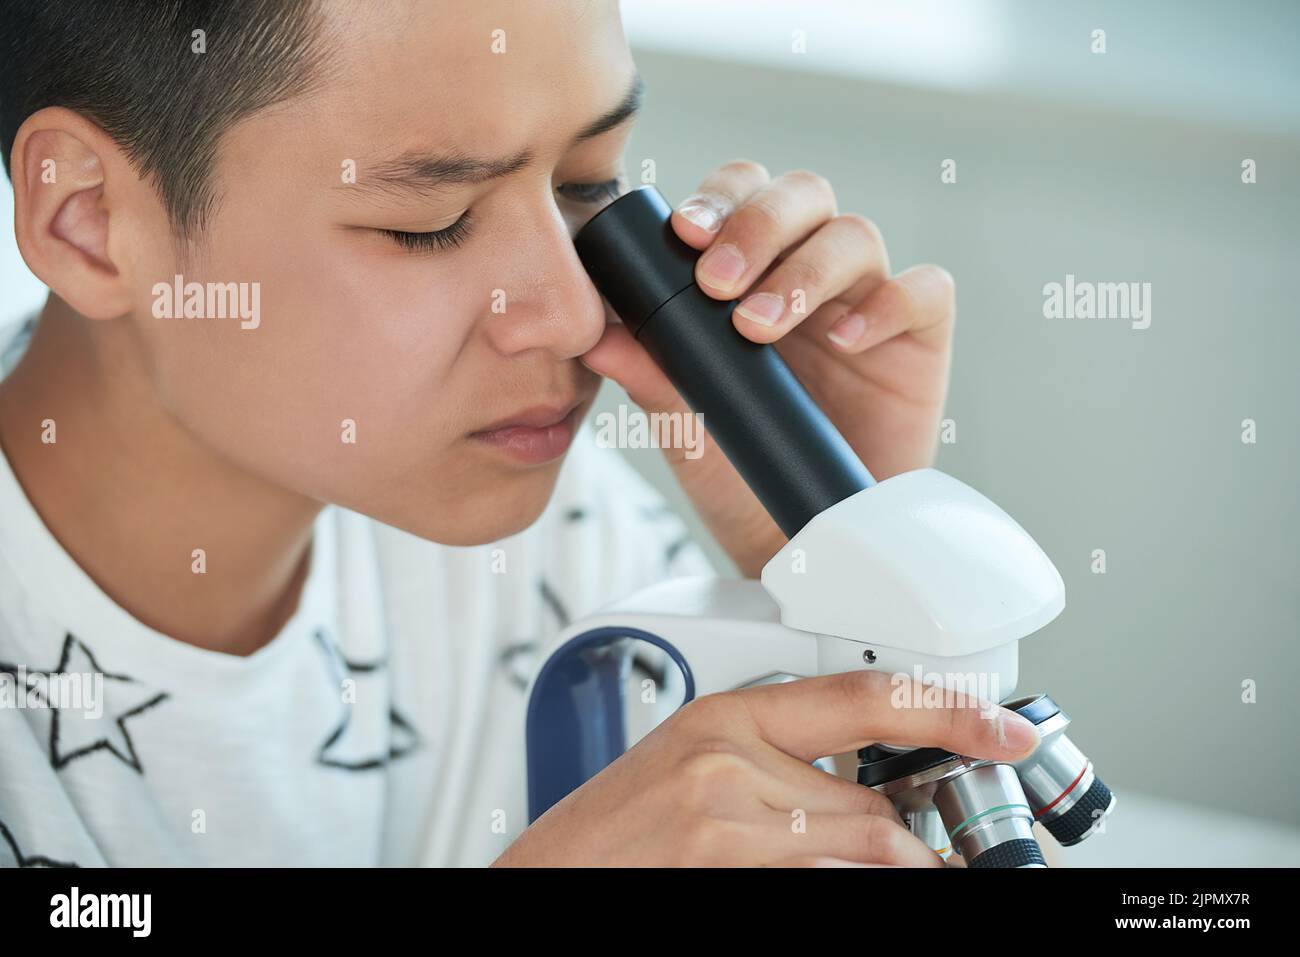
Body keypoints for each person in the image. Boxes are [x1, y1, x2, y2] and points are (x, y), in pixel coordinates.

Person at [0, 0, 1037, 868]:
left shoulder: (552, 532)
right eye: (431, 222)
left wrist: (841, 572)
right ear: (86, 219)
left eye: (589, 185)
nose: (575, 314)